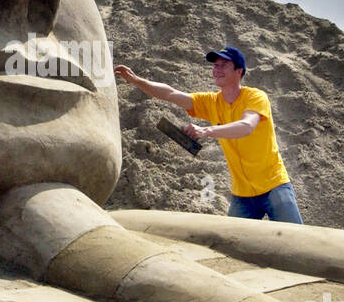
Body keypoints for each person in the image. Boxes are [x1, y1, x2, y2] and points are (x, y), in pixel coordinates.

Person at [114, 46, 303, 223]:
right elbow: (170, 94)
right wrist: (137, 80)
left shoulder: (255, 97)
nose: (217, 69)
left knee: (298, 242)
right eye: (215, 65)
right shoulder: (212, 101)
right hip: (242, 195)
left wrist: (207, 130)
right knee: (230, 249)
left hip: (274, 186)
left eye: (224, 65)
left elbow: (246, 126)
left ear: (239, 71)